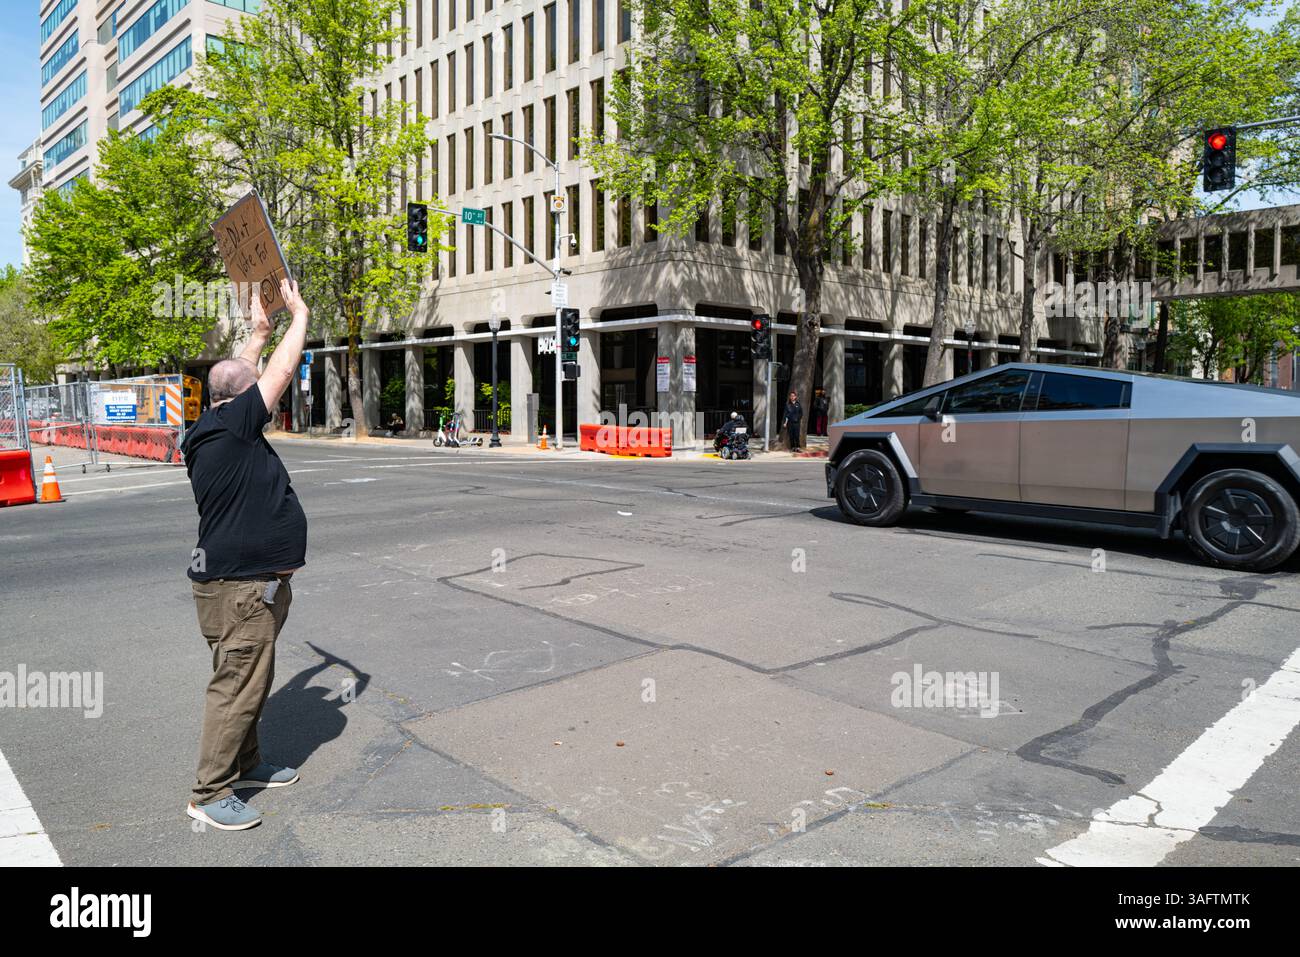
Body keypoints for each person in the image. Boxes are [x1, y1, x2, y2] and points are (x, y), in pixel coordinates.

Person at [181, 278, 311, 831]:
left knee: (251, 677)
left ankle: (247, 763)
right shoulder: (233, 426)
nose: (266, 404)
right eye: (254, 393)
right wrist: (298, 313)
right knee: (236, 685)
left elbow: (242, 372)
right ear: (241, 402)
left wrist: (258, 330)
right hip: (240, 590)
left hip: (237, 587)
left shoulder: (211, 425)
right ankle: (209, 793)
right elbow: (276, 374)